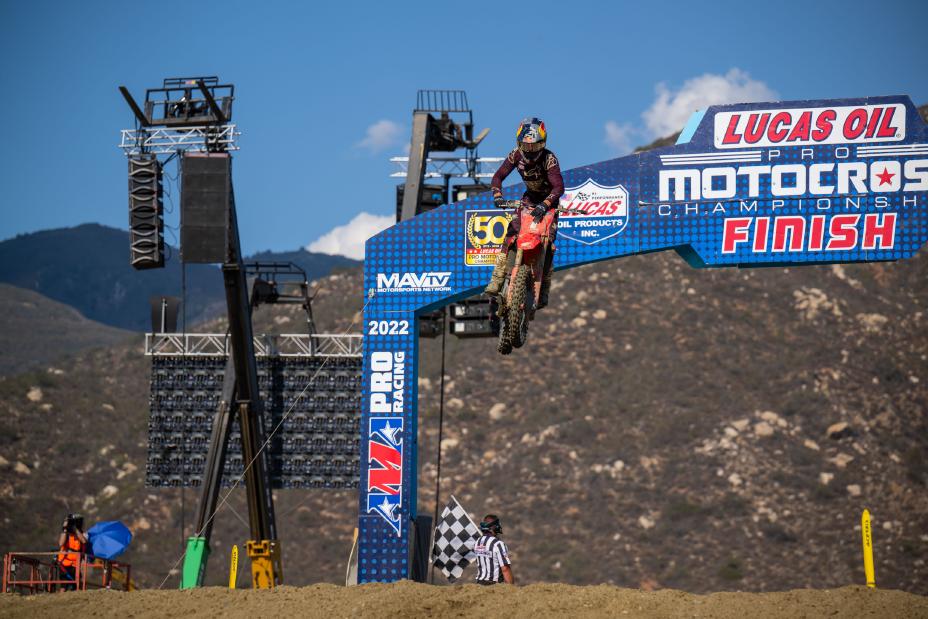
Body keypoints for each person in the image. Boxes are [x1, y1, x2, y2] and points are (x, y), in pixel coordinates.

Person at [484, 117, 565, 309]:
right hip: (528, 199)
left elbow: (559, 187)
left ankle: (543, 289)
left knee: (548, 242)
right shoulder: (515, 155)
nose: (529, 151)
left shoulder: (549, 158)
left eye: (534, 146)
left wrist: (545, 205)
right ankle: (497, 279)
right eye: (525, 146)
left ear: (542, 144)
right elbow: (498, 176)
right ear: (519, 143)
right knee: (510, 234)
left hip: (549, 202)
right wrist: (497, 195)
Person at [474, 514, 514, 585]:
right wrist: (511, 588)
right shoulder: (498, 544)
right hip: (493, 585)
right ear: (494, 527)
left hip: (479, 584)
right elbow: (505, 569)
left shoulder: (478, 542)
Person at [57, 513, 87, 590]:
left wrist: (75, 529)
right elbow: (61, 543)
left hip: (75, 564)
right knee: (64, 585)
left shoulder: (81, 533)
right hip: (64, 562)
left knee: (76, 585)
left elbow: (84, 541)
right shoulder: (66, 533)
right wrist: (65, 528)